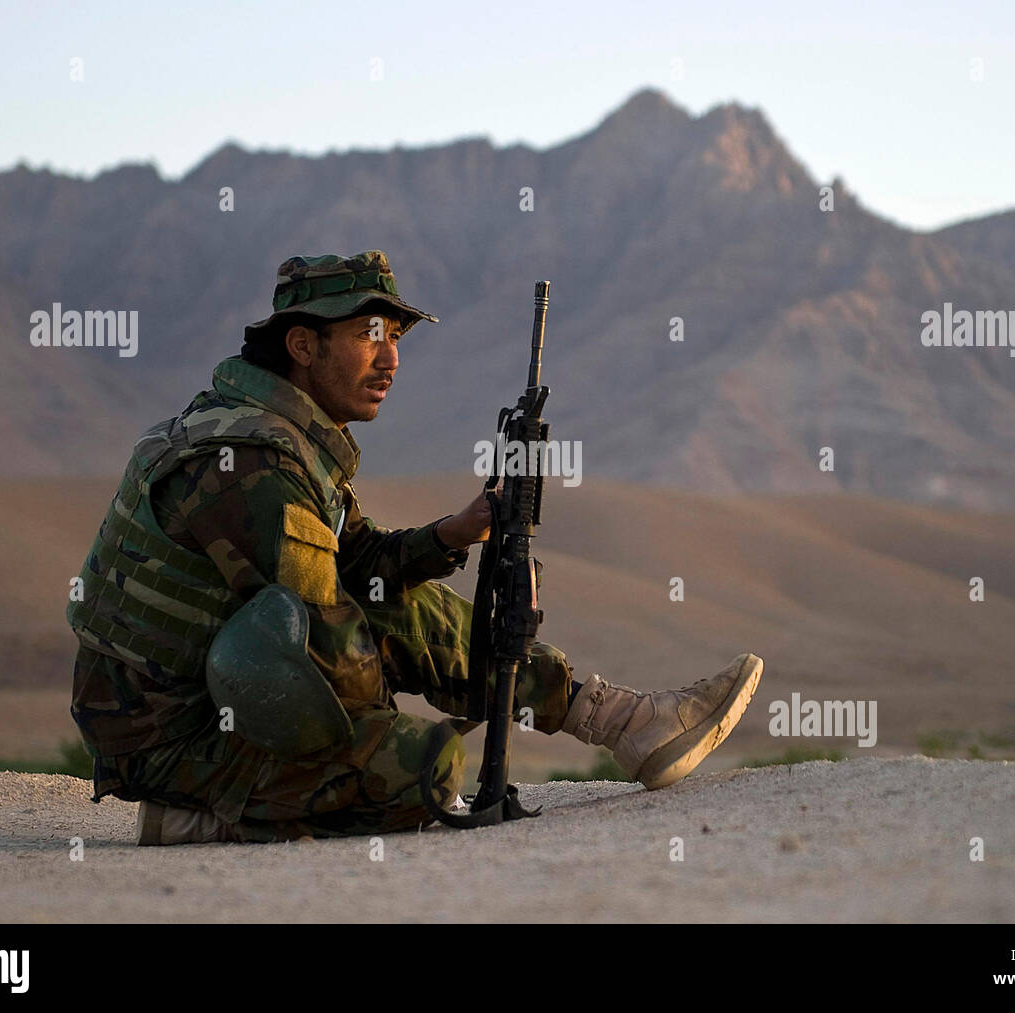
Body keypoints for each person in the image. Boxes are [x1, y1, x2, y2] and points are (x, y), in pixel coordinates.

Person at [67, 250, 763, 845]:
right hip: (170, 735)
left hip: (215, 691)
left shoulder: (284, 437)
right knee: (420, 769)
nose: (392, 358)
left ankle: (617, 718)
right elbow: (332, 650)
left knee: (405, 607)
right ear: (303, 346)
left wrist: (454, 533)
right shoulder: (249, 466)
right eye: (371, 336)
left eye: (397, 336)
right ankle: (187, 820)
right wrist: (397, 715)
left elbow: (358, 563)